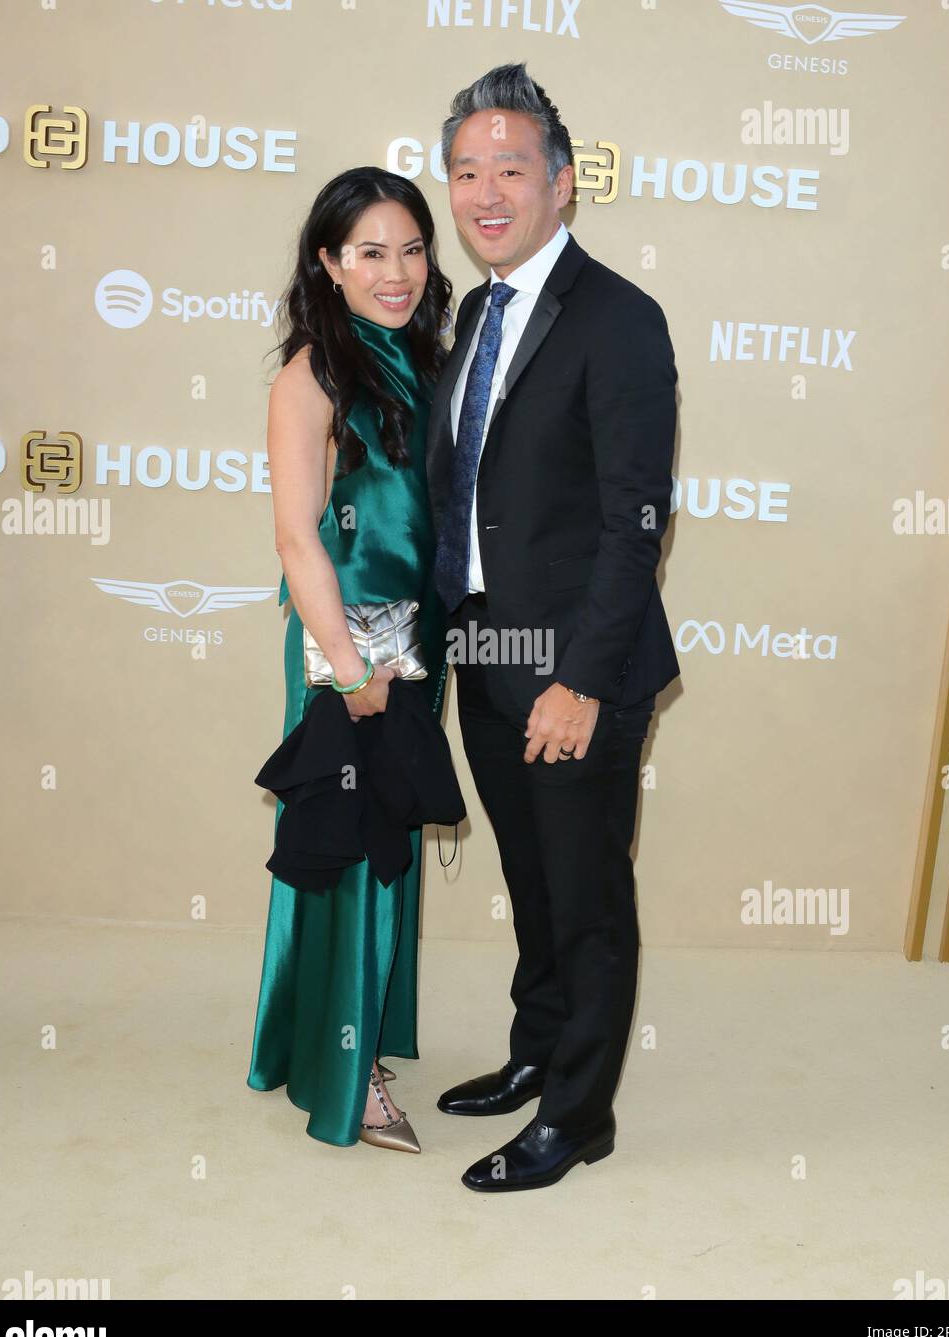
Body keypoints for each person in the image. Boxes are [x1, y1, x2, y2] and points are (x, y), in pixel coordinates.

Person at [426, 63, 682, 1191]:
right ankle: (537, 1051)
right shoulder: (472, 312)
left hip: (576, 664)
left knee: (586, 898)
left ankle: (578, 1116)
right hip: (485, 650)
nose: (485, 190)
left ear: (562, 184)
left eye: (510, 168)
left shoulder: (620, 318)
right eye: (466, 170)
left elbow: (635, 524)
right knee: (531, 879)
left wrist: (579, 680)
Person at [247, 167, 454, 1153]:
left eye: (411, 247)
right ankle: (348, 1075)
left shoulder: (419, 359)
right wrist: (345, 663)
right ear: (328, 264)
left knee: (386, 838)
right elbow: (299, 537)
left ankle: (338, 1029)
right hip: (355, 643)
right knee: (354, 843)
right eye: (371, 251)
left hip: (414, 641)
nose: (397, 270)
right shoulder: (311, 376)